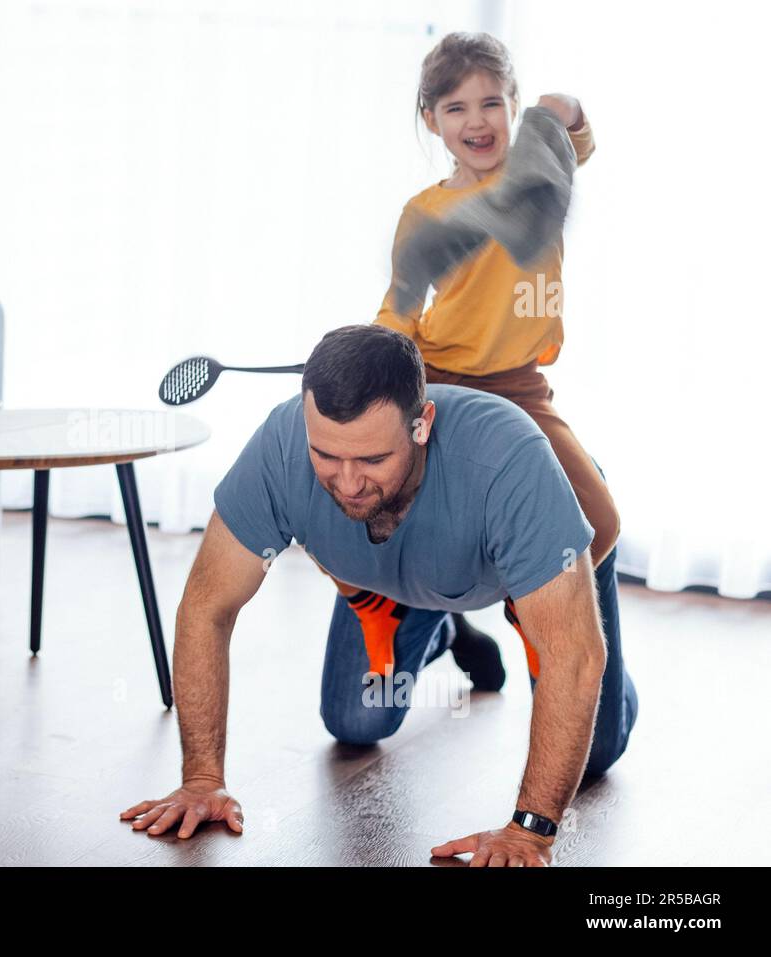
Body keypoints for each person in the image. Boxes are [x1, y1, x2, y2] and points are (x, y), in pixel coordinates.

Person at [120, 325, 638, 866]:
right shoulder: (280, 445)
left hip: (546, 550)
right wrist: (202, 779)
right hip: (394, 579)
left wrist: (530, 832)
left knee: (594, 744)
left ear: (422, 425)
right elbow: (207, 608)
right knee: (356, 721)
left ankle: (591, 633)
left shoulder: (510, 459)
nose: (347, 483)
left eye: (371, 460)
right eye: (327, 455)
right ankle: (446, 625)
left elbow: (574, 661)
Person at [316, 32, 617, 694]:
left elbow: (578, 135)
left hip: (520, 390)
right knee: (355, 506)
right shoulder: (423, 213)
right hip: (438, 385)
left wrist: (558, 106)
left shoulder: (539, 177)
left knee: (603, 521)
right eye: (454, 108)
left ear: (512, 106)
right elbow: (401, 307)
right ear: (431, 120)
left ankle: (523, 601)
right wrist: (375, 360)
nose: (476, 121)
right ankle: (383, 605)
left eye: (491, 103)